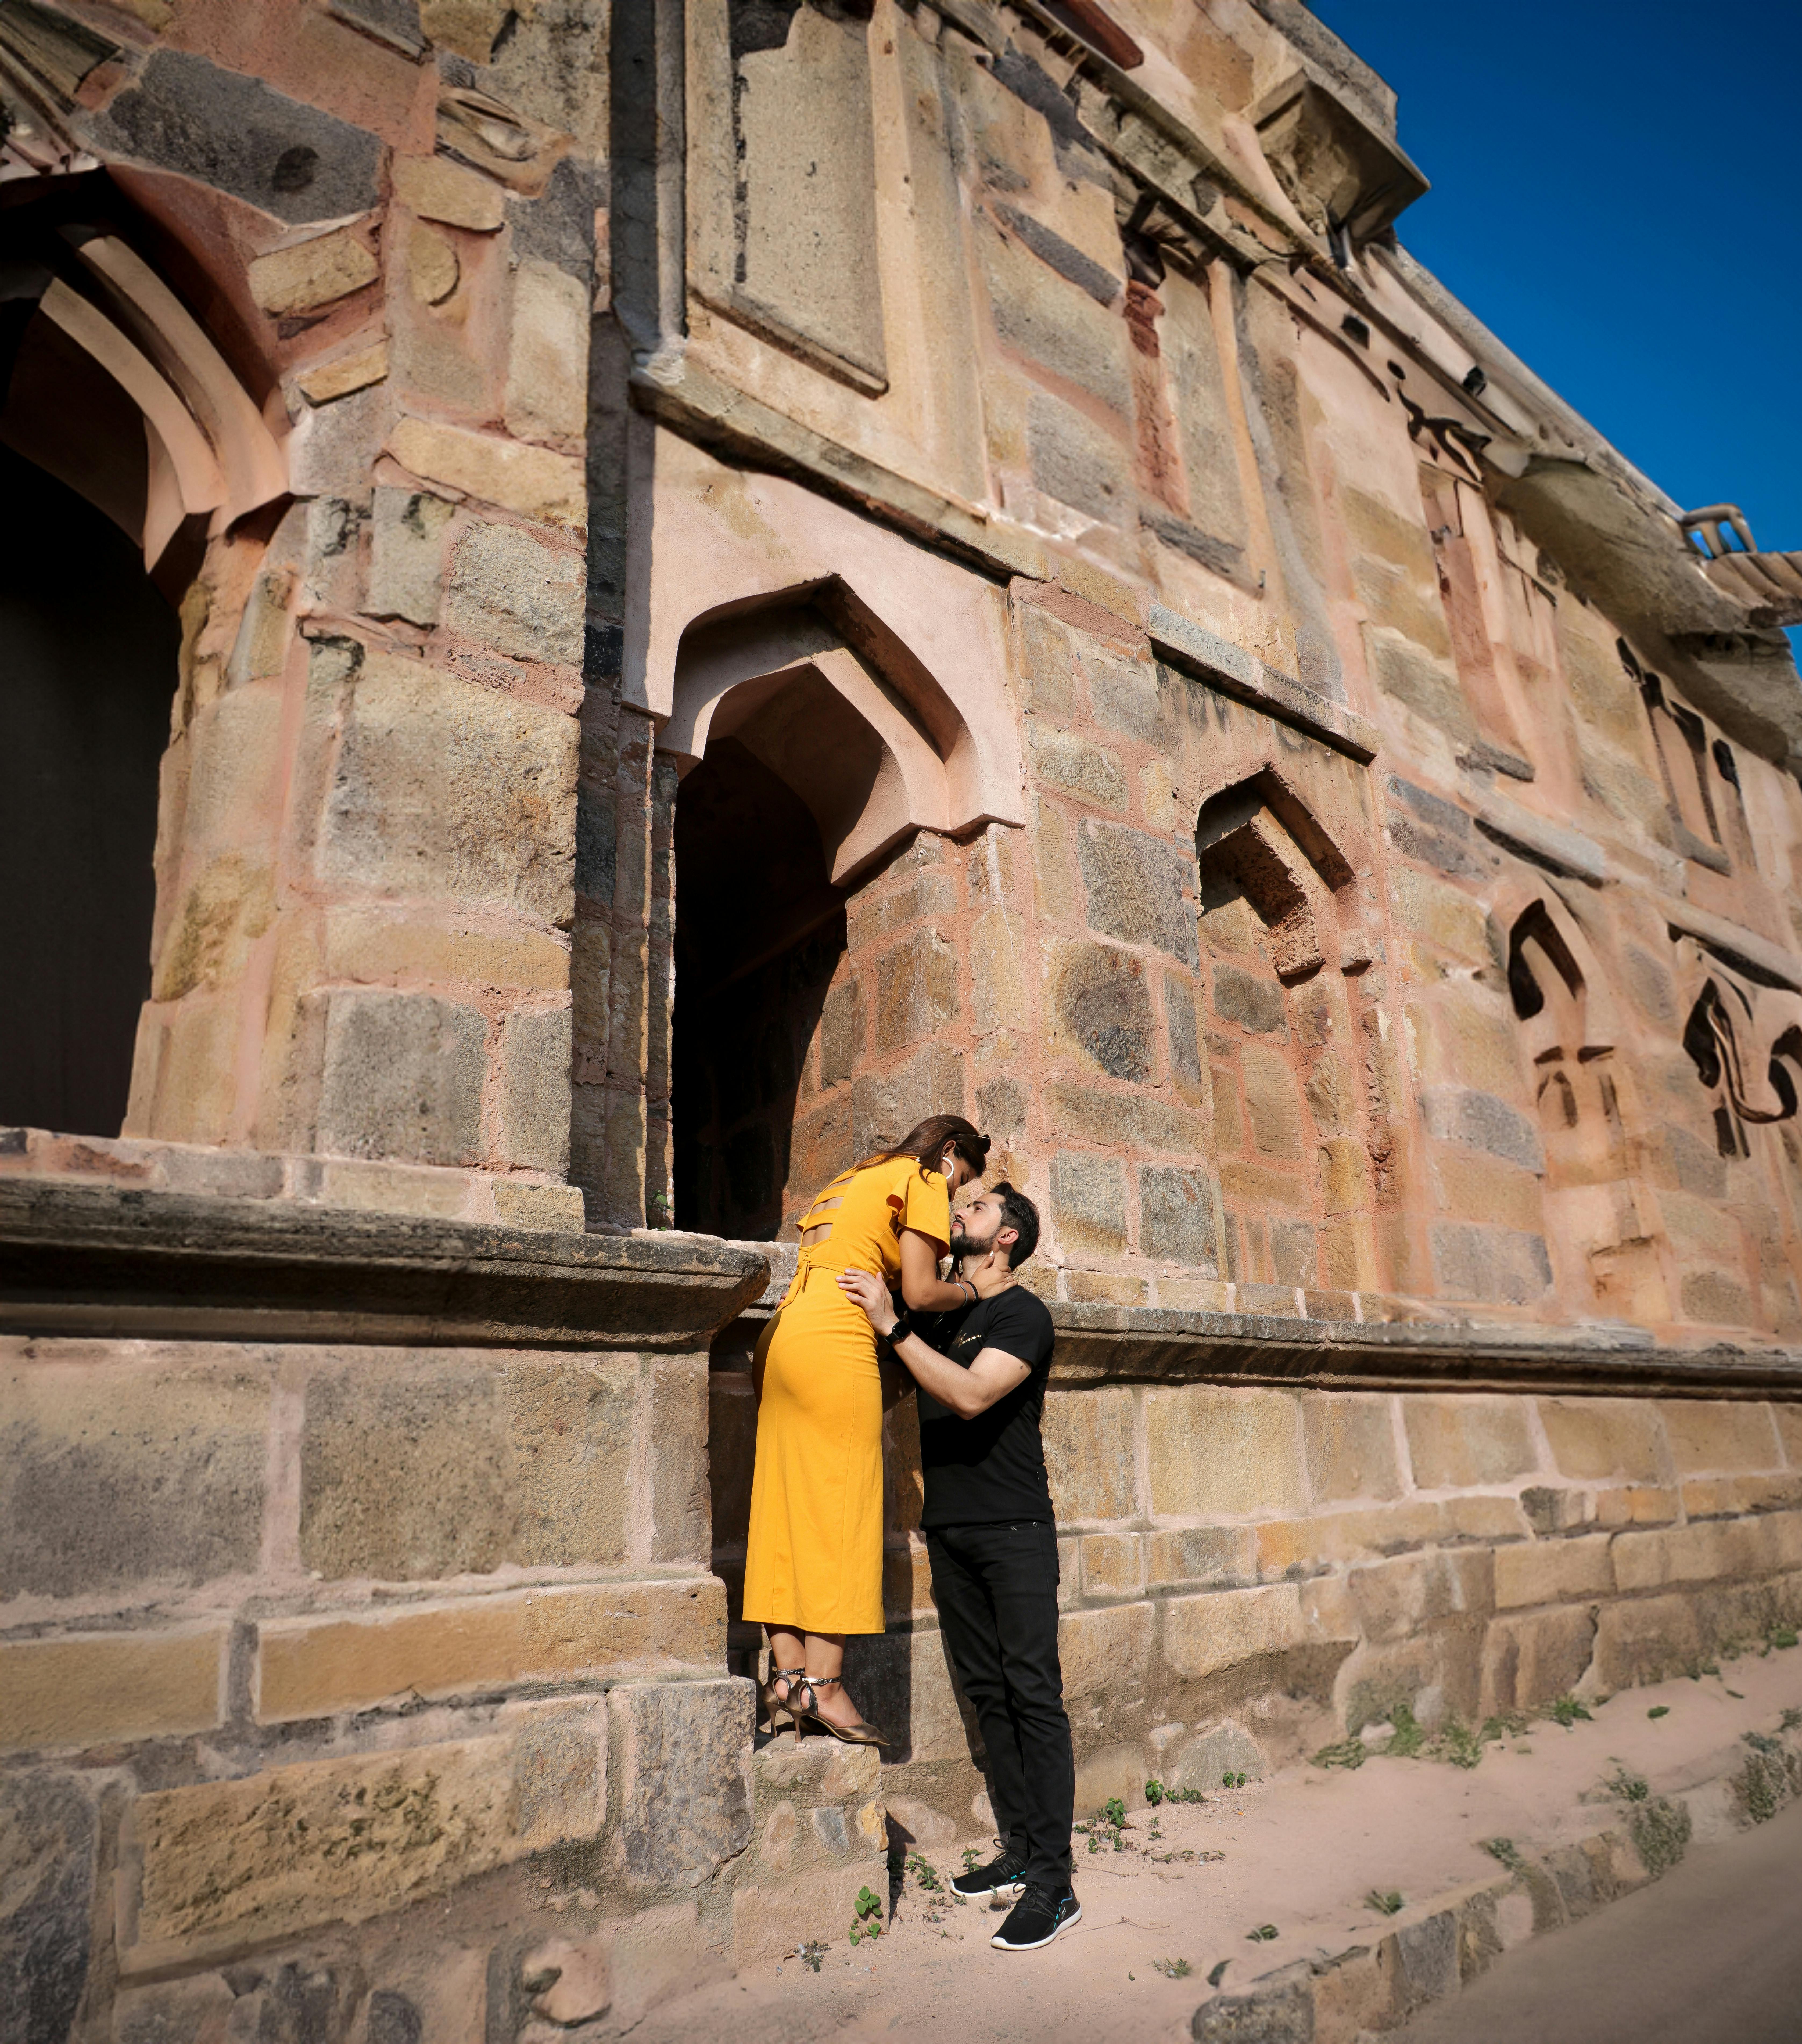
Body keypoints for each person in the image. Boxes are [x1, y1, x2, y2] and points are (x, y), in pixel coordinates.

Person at [837, 1181, 1078, 1954]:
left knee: (1033, 1694)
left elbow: (973, 1396)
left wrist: (892, 1327)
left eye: (974, 1209)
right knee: (988, 1695)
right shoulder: (946, 1316)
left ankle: (1055, 1882)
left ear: (1007, 1238)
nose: (959, 1214)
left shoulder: (1022, 1314)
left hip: (1014, 1531)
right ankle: (1019, 1851)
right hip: (950, 1532)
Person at [743, 1114, 990, 1746]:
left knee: (784, 1508)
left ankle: (788, 1677)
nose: (955, 1195)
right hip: (834, 1340)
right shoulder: (923, 1174)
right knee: (843, 1508)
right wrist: (968, 1290)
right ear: (951, 1153)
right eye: (962, 1181)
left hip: (784, 1338)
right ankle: (824, 1686)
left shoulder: (857, 1173)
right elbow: (920, 1288)